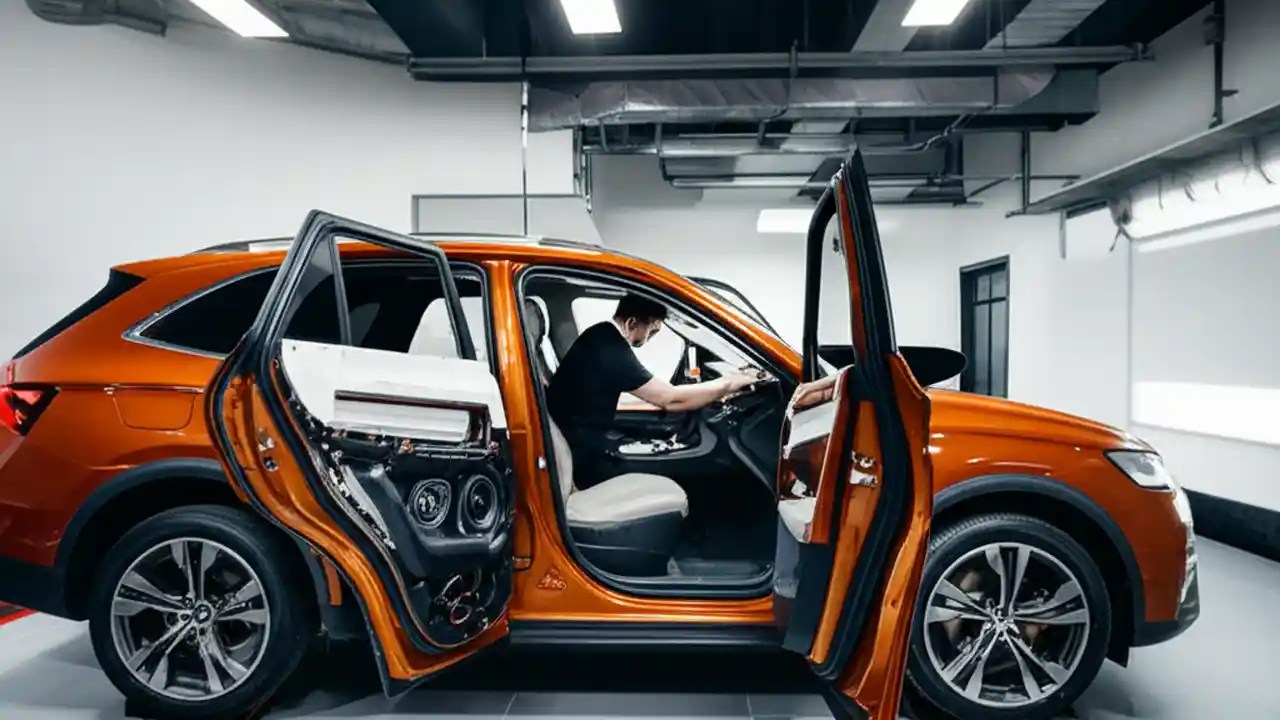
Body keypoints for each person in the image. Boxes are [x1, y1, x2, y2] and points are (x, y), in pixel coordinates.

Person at [546, 293, 760, 489]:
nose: (650, 338)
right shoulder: (612, 349)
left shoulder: (601, 335)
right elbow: (672, 400)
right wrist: (730, 383)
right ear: (632, 323)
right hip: (581, 458)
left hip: (579, 444)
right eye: (652, 331)